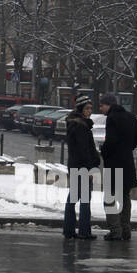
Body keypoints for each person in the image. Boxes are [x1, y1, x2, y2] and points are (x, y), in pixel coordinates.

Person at [98, 94, 137, 241]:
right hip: (127, 163)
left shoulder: (112, 118)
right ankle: (126, 230)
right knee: (124, 196)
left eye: (102, 105)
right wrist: (128, 147)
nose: (100, 108)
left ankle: (115, 231)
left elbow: (111, 140)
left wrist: (104, 151)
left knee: (110, 197)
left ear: (109, 105)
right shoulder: (130, 116)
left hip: (114, 163)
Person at [62, 96, 99, 240]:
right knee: (84, 200)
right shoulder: (81, 126)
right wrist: (89, 168)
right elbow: (84, 150)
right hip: (82, 167)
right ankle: (84, 231)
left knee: (73, 198)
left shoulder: (75, 123)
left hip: (75, 165)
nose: (90, 111)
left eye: (91, 108)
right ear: (80, 109)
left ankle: (69, 230)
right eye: (87, 108)